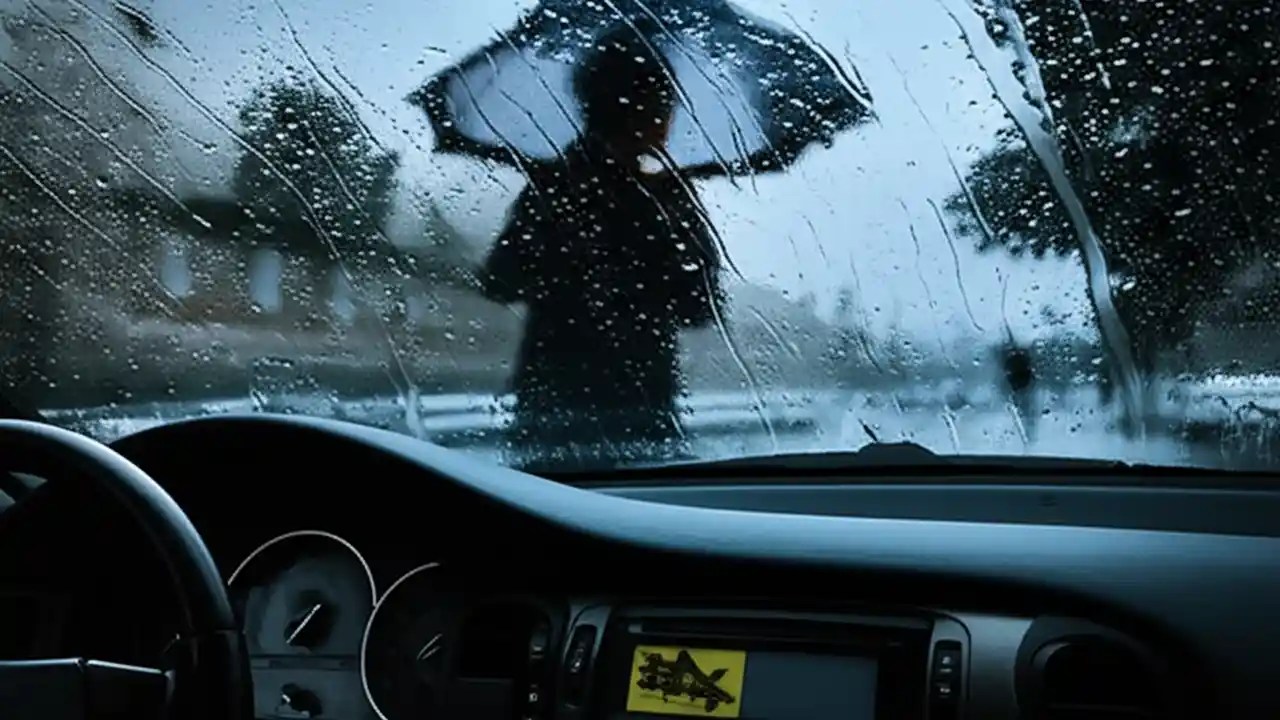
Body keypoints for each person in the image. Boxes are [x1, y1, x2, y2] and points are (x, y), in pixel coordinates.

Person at [478, 29, 725, 467]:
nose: (671, 117)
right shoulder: (654, 197)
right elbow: (700, 311)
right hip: (621, 412)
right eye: (665, 104)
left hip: (564, 408)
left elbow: (498, 280)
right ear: (637, 109)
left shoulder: (556, 184)